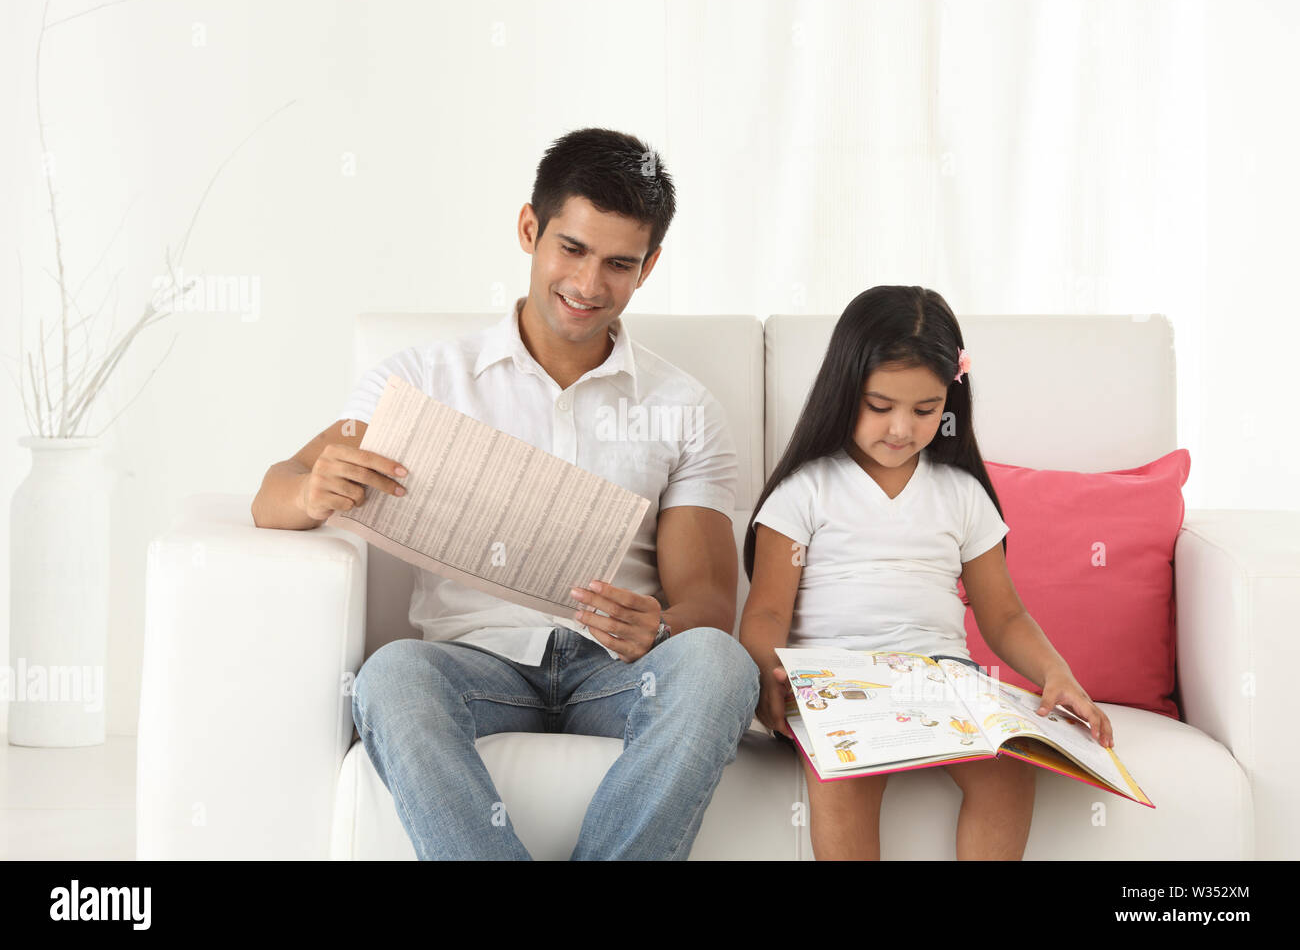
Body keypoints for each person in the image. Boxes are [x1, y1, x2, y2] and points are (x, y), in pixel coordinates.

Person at [250, 127, 759, 859]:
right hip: (474, 664)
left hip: (614, 673)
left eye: (619, 264)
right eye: (572, 250)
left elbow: (710, 605)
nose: (588, 286)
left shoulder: (683, 407)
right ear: (530, 229)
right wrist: (312, 490)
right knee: (390, 676)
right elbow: (273, 492)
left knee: (719, 664)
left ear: (648, 268)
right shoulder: (425, 381)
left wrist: (661, 628)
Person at [738, 285, 1114, 860]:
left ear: (949, 401)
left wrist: (1055, 672)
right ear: (844, 391)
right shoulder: (804, 491)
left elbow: (1004, 613)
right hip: (835, 680)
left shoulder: (962, 494)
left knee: (1010, 772)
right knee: (847, 779)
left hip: (942, 678)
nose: (901, 429)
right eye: (879, 405)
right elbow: (766, 610)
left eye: (924, 410)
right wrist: (770, 672)